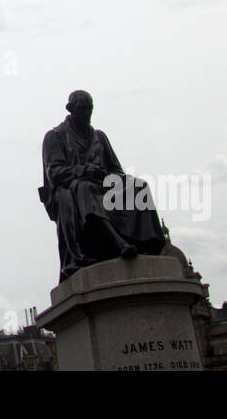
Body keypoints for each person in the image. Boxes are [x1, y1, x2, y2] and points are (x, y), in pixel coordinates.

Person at [39, 90, 164, 282]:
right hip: (72, 189)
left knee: (139, 187)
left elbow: (116, 169)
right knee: (84, 189)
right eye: (82, 108)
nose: (87, 113)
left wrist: (110, 178)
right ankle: (118, 243)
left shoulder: (99, 137)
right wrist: (83, 170)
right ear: (71, 109)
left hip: (103, 185)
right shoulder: (55, 136)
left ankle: (150, 246)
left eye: (90, 109)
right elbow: (54, 173)